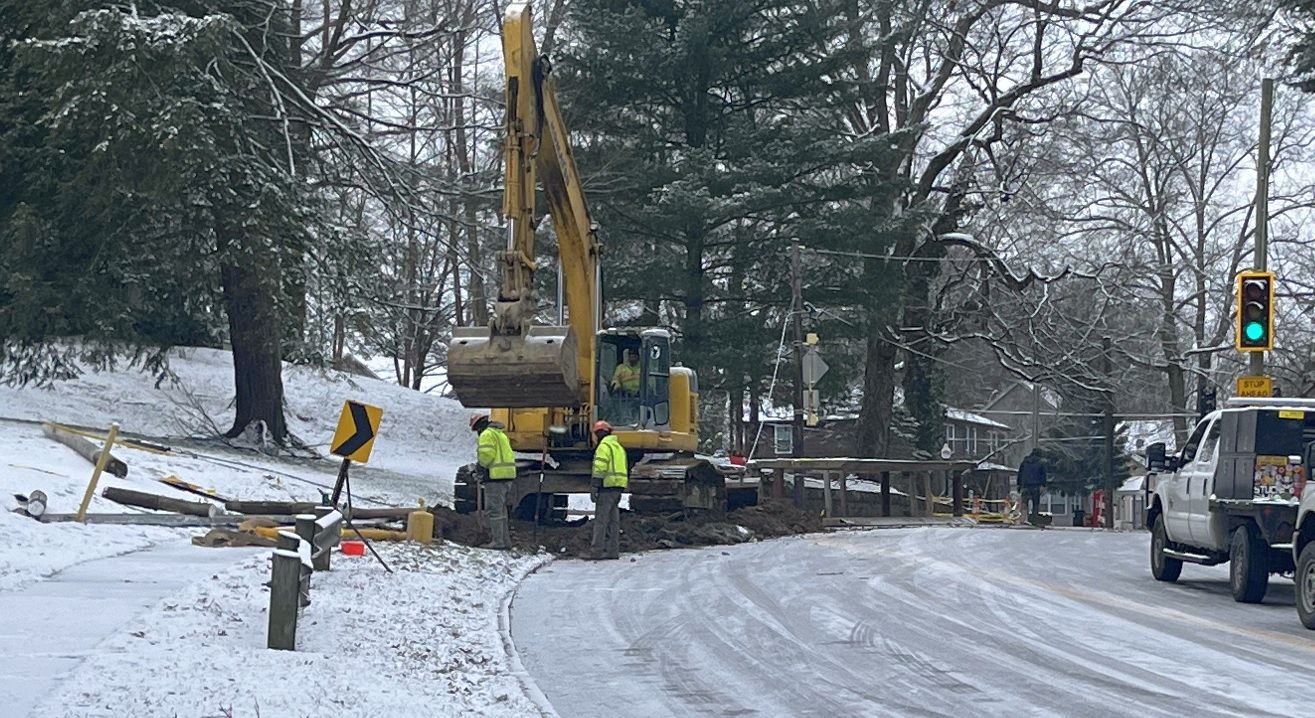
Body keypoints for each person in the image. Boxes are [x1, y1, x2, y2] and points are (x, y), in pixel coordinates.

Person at [471, 413, 516, 549]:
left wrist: (480, 468)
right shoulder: (500, 434)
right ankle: (505, 541)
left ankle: (498, 542)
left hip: (495, 477)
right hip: (507, 476)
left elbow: (486, 455)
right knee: (502, 511)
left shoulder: (487, 434)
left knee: (494, 511)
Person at [589, 420, 628, 559]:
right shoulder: (618, 447)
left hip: (607, 487)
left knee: (601, 520)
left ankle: (596, 551)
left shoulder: (603, 447)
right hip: (618, 487)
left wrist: (595, 485)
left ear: (598, 434)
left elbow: (600, 467)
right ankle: (613, 551)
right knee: (614, 521)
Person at [1017, 448, 1047, 525]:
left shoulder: (1024, 462)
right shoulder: (1041, 463)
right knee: (1035, 504)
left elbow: (1020, 474)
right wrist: (1043, 485)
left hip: (1025, 486)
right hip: (1035, 487)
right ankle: (1034, 520)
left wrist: (1019, 486)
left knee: (1024, 504)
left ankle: (1023, 519)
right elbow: (1043, 475)